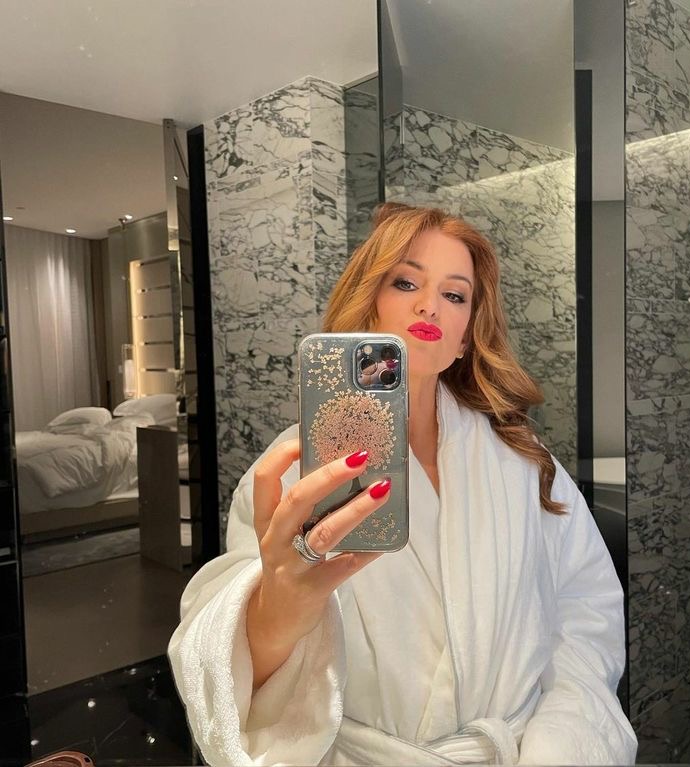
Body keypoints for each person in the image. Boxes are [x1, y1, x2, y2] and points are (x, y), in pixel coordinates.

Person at [169, 203, 638, 766]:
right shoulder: (292, 475)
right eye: (406, 282)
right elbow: (223, 685)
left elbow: (586, 608)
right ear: (366, 303)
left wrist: (559, 747)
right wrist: (277, 612)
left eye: (455, 295)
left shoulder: (524, 464)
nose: (429, 305)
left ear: (465, 338)